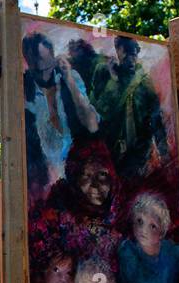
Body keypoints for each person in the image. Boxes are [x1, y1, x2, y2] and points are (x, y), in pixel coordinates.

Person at [23, 32, 100, 197]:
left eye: (47, 67)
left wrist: (70, 80)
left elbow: (92, 125)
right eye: (37, 69)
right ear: (29, 64)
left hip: (79, 173)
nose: (43, 74)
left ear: (53, 57)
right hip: (43, 182)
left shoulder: (68, 78)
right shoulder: (24, 88)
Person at [89, 35, 169, 181]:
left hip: (138, 155)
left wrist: (165, 157)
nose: (130, 58)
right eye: (125, 52)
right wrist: (113, 80)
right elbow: (99, 111)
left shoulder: (144, 81)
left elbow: (156, 120)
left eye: (133, 54)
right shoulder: (104, 74)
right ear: (117, 51)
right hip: (110, 152)